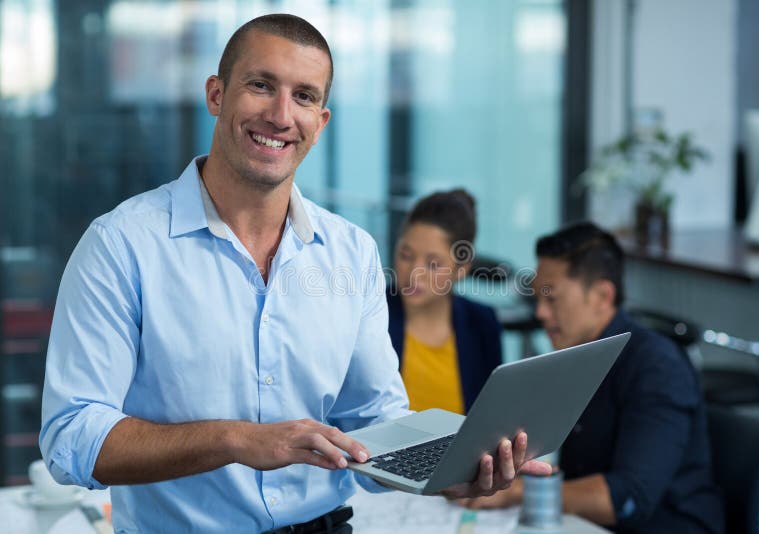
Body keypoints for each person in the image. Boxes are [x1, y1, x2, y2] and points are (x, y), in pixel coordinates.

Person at [39, 14, 549, 533]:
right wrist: (237, 439)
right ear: (216, 95)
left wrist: (450, 469)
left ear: (320, 121)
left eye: (304, 96)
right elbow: (71, 437)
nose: (281, 115)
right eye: (261, 86)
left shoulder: (350, 253)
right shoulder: (121, 245)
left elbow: (374, 426)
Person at [460, 222, 724, 534]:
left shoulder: (657, 367)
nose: (540, 313)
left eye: (553, 299)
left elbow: (628, 497)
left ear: (601, 296)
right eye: (538, 300)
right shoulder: (575, 356)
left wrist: (519, 492)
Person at [388, 190, 502, 414]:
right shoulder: (372, 314)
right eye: (406, 255)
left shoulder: (481, 322)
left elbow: (491, 416)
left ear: (462, 269)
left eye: (433, 263)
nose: (414, 273)